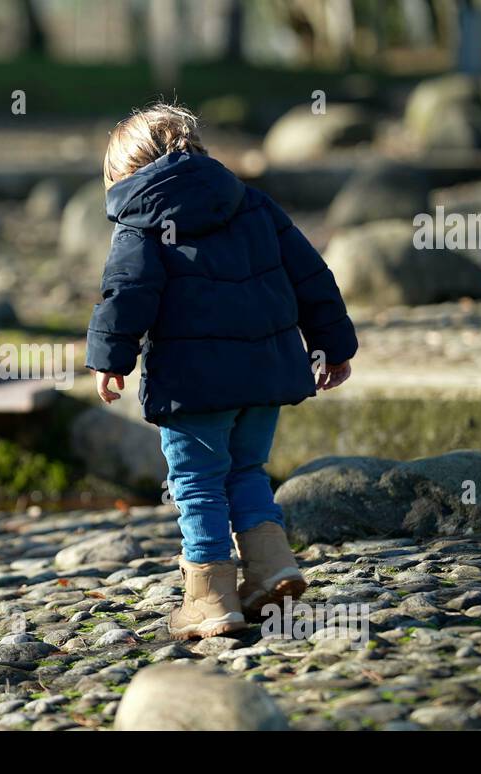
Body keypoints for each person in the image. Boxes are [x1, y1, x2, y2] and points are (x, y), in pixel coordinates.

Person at [86, 103, 357, 640]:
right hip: (264, 375)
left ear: (124, 173)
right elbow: (311, 276)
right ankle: (272, 566)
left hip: (193, 386)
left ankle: (210, 597)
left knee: (196, 483)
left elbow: (127, 295)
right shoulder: (251, 202)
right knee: (247, 471)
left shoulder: (140, 218)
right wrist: (334, 346)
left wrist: (111, 360)